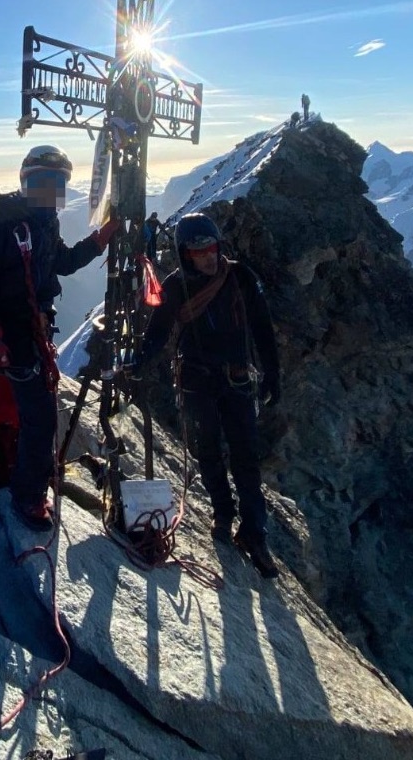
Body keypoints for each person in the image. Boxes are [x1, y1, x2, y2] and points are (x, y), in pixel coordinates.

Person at [0, 144, 120, 530]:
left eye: (57, 183)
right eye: (43, 182)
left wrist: (99, 240)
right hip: (14, 336)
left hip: (32, 332)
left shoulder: (45, 222)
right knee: (41, 418)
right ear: (27, 183)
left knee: (40, 415)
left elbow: (60, 263)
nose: (51, 191)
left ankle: (31, 483)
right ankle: (27, 497)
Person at [134, 211, 282, 577]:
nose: (208, 255)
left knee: (246, 455)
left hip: (233, 381)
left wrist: (272, 375)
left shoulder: (240, 278)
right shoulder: (175, 286)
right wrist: (136, 363)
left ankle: (254, 532)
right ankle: (223, 515)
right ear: (185, 254)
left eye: (211, 247)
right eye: (199, 250)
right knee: (210, 451)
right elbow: (157, 333)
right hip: (200, 382)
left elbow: (263, 327)